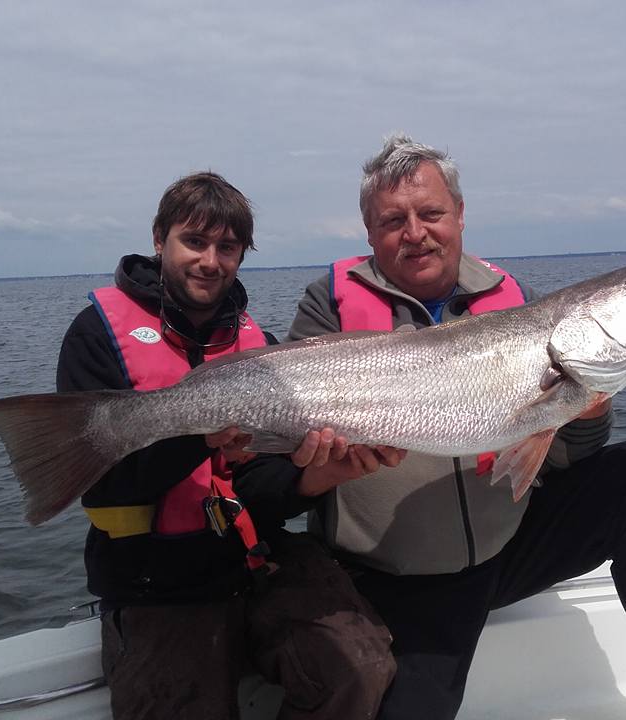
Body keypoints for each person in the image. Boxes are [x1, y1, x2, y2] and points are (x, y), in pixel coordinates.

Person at [287, 135, 626, 720]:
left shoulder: (513, 302)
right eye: (394, 220)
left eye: (431, 213)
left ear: (461, 215)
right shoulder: (328, 306)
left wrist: (586, 413)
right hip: (398, 579)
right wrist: (312, 462)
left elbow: (564, 458)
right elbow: (285, 458)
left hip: (508, 544)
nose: (415, 231)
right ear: (370, 232)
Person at [56, 171, 400, 720]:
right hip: (154, 581)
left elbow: (260, 489)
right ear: (158, 239)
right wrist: (200, 433)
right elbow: (99, 482)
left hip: (253, 563)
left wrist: (321, 477)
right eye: (194, 241)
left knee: (360, 669)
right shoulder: (97, 334)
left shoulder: (258, 346)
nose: (210, 261)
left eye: (228, 247)